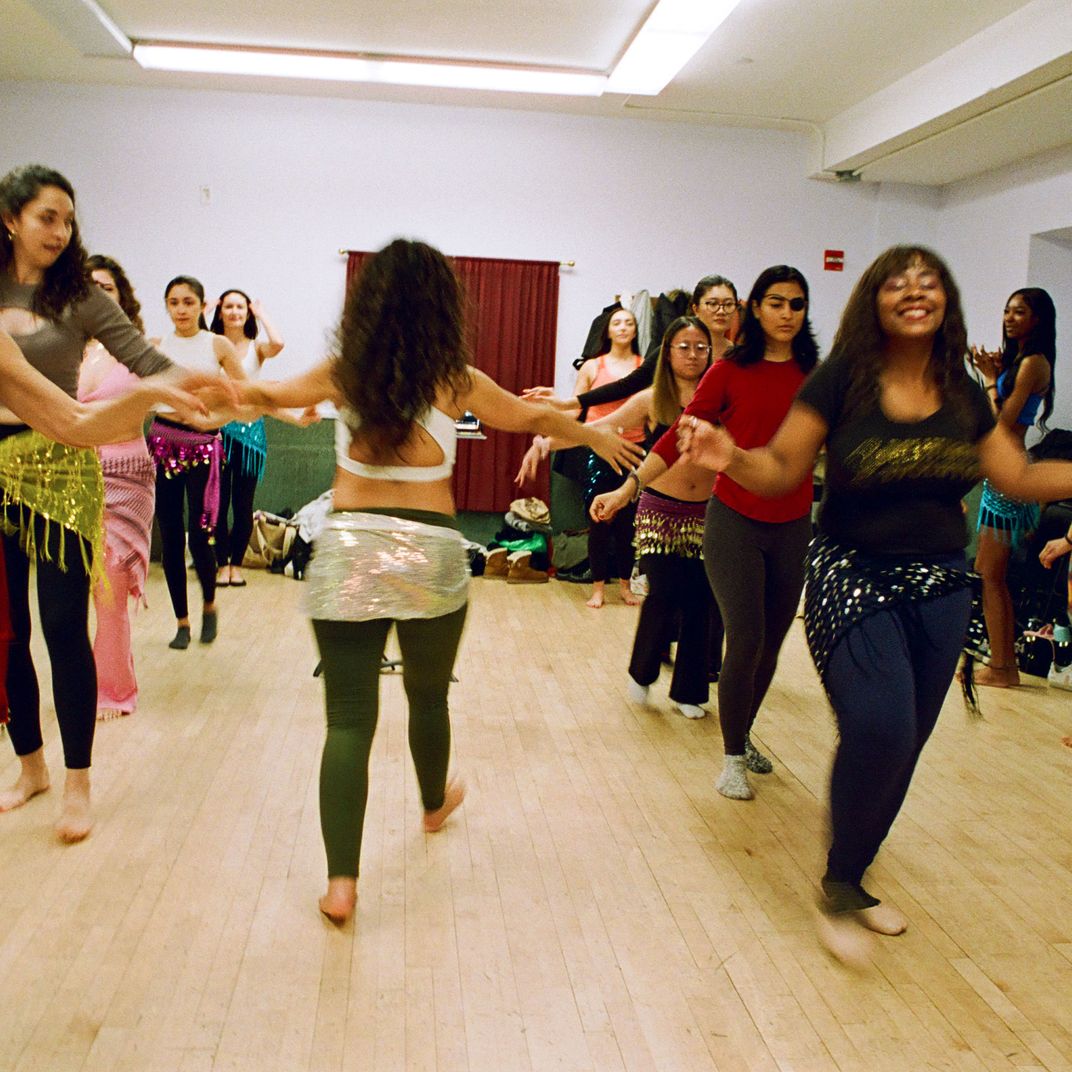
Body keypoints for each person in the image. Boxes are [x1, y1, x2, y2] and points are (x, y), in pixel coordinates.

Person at [229, 238, 644, 924]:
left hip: (349, 548)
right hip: (431, 553)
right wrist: (595, 433)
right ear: (443, 307)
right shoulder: (454, 378)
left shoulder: (344, 371)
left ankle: (341, 885)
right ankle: (431, 806)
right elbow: (530, 416)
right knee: (427, 699)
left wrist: (209, 391)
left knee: (348, 720)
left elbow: (260, 393)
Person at [677, 246, 1072, 965]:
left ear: (945, 301)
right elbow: (783, 468)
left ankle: (850, 875)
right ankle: (838, 883)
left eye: (930, 283)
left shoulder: (961, 390)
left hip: (941, 583)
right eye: (900, 282)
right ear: (875, 300)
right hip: (851, 570)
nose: (916, 291)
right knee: (880, 725)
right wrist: (728, 455)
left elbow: (1013, 474)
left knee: (908, 743)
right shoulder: (840, 381)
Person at [0, 163, 219, 841]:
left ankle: (77, 782)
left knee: (65, 627)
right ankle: (29, 764)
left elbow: (149, 362)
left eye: (68, 219)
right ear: (10, 219)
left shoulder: (81, 296)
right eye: (46, 218)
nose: (61, 232)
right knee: (9, 633)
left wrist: (214, 393)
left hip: (65, 464)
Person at [603, 268, 818, 796]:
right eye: (776, 303)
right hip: (734, 520)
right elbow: (678, 435)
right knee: (744, 637)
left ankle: (742, 735)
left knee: (770, 642)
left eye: (797, 304)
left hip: (792, 524)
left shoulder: (818, 375)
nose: (787, 313)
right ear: (756, 309)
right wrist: (628, 488)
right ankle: (731, 759)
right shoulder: (729, 372)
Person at [587, 316, 715, 717]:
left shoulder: (721, 398)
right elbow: (600, 425)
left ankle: (689, 692)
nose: (693, 354)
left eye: (700, 347)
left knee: (702, 601)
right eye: (684, 346)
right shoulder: (651, 399)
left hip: (709, 513)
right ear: (667, 351)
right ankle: (642, 673)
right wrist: (546, 437)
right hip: (660, 510)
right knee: (663, 592)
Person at [77, 255, 158, 719]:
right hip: (69, 477)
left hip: (125, 477)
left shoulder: (137, 353)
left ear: (121, 298)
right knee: (71, 597)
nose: (94, 294)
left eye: (105, 287)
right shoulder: (61, 352)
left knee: (110, 590)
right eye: (86, 286)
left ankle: (114, 692)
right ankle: (90, 679)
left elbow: (192, 402)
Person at [148, 275, 244, 650]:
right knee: (170, 535)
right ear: (167, 306)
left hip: (202, 446)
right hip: (163, 441)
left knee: (201, 535)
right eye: (174, 302)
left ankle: (209, 604)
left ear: (203, 306)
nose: (181, 309)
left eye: (188, 302)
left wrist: (212, 422)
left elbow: (243, 397)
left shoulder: (216, 344)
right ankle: (181, 622)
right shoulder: (157, 346)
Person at [968, 288, 1056, 686]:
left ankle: (1003, 667)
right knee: (990, 572)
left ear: (1037, 319)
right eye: (1006, 310)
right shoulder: (1022, 361)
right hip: (1000, 472)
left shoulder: (1034, 363)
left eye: (1019, 312)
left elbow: (1001, 426)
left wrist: (989, 381)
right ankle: (1003, 664)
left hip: (1009, 473)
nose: (1009, 317)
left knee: (989, 573)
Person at [210, 289, 284, 587]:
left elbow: (278, 343)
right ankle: (220, 565)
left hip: (250, 436)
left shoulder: (257, 348)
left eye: (240, 307)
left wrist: (262, 312)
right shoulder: (211, 345)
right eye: (228, 307)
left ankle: (235, 565)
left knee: (242, 506)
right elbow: (190, 349)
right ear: (221, 311)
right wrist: (204, 312)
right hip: (215, 432)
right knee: (216, 504)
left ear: (247, 312)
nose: (234, 312)